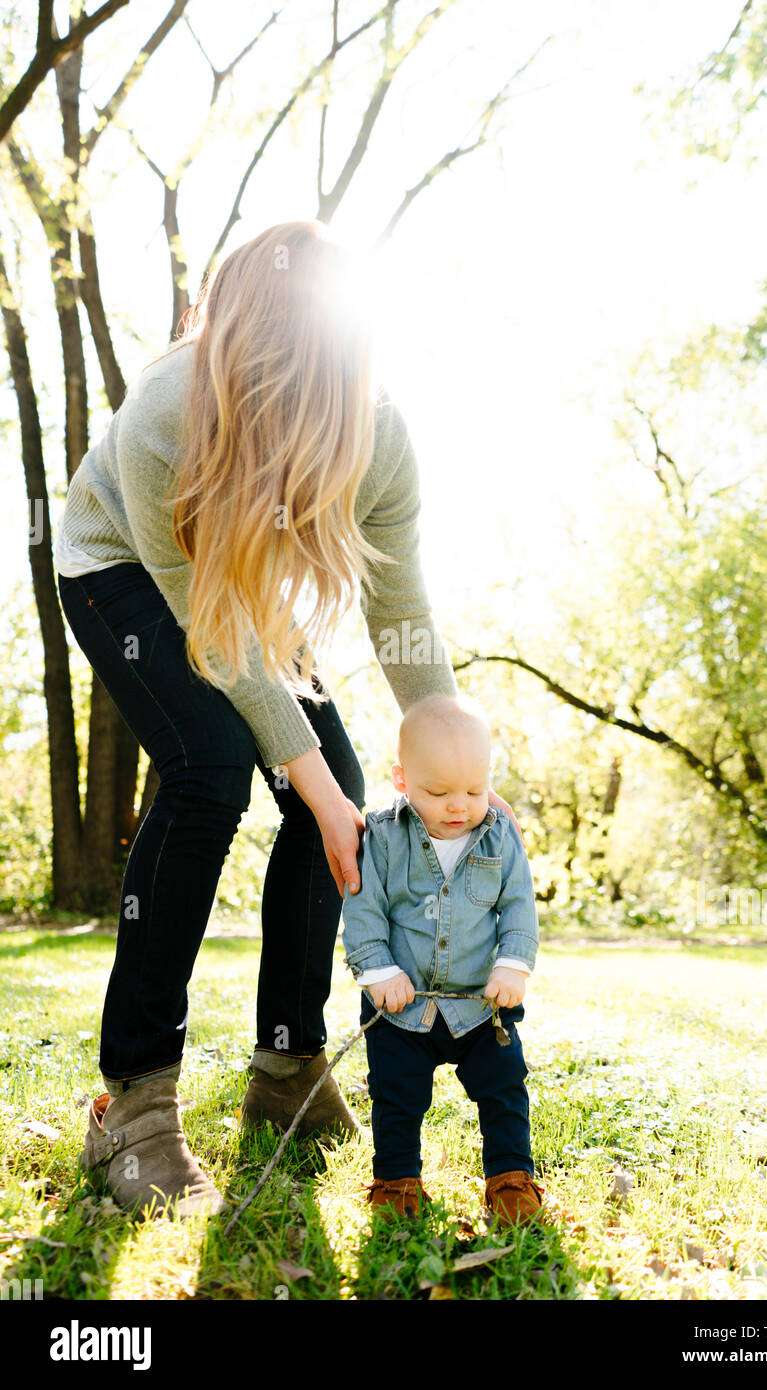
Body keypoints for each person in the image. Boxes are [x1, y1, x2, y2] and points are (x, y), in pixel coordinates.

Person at [55, 220, 517, 1218]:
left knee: (338, 795)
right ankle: (132, 1106)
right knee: (210, 766)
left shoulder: (381, 435)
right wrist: (304, 776)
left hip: (244, 598)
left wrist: (456, 766)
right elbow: (204, 627)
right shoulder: (167, 412)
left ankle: (288, 1071)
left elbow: (402, 615)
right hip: (123, 573)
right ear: (225, 347)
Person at [341, 693, 545, 1224]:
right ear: (402, 779)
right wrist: (379, 970)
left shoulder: (499, 835)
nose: (460, 805)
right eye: (439, 791)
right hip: (402, 1008)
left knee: (503, 1089)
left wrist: (513, 964)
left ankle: (510, 1180)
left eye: (476, 790)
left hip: (481, 1008)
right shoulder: (383, 836)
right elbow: (364, 908)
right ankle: (397, 1184)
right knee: (396, 1096)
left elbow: (519, 904)